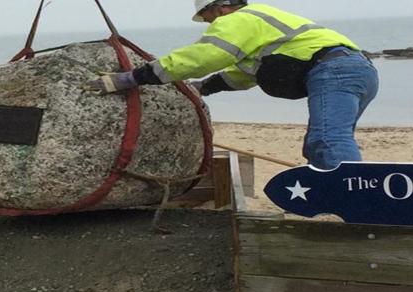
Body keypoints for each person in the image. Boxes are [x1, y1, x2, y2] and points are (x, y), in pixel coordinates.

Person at [86, 2, 378, 170]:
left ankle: (354, 197)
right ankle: (334, 196)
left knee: (328, 140)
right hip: (357, 71)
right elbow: (244, 75)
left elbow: (206, 55)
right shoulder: (262, 27)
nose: (209, 25)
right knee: (319, 143)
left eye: (208, 18)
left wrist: (135, 77)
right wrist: (202, 88)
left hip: (334, 70)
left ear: (220, 8)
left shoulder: (239, 19)